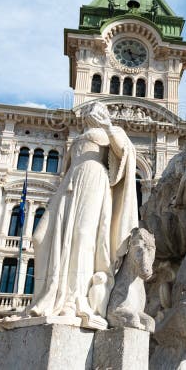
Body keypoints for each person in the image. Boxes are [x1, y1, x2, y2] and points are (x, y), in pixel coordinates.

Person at [28, 102, 137, 329]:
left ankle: (76, 298)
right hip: (70, 184)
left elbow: (124, 152)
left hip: (94, 180)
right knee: (40, 237)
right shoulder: (80, 135)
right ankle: (46, 297)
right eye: (89, 110)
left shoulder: (113, 131)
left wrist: (108, 126)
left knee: (82, 236)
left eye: (96, 110)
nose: (90, 113)